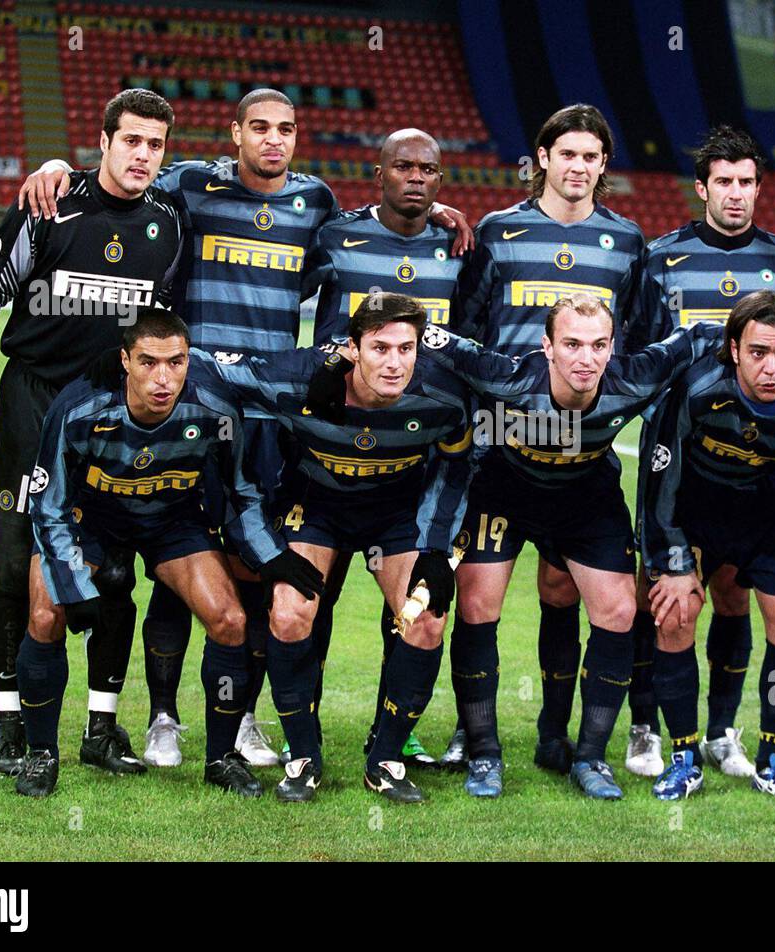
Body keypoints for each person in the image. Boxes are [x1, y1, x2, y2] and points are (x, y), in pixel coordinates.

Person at [18, 92, 473, 771]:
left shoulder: (316, 204)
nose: (272, 140)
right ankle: (165, 717)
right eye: (259, 128)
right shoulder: (193, 183)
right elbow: (126, 172)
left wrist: (426, 207)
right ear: (235, 133)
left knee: (248, 572)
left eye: (286, 130)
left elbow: (365, 230)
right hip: (191, 398)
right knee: (181, 551)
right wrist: (60, 164)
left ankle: (248, 719)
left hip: (269, 414)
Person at [0, 88, 184, 777]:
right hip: (34, 402)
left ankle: (101, 728)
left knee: (111, 570)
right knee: (16, 566)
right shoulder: (47, 202)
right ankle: (11, 719)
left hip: (112, 414)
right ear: (103, 141)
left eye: (155, 145)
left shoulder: (168, 222)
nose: (142, 155)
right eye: (131, 140)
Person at [420, 295, 721, 800]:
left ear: (613, 347)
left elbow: (694, 338)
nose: (587, 359)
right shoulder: (510, 377)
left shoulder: (632, 377)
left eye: (599, 345)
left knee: (621, 611)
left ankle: (591, 758)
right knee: (475, 606)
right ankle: (485, 752)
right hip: (506, 494)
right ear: (548, 347)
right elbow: (435, 339)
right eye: (573, 344)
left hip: (587, 498)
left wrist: (749, 335)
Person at [17, 310, 323, 798]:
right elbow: (48, 507)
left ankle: (220, 758)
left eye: (176, 362)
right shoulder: (80, 408)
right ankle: (40, 755)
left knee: (229, 619)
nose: (163, 378)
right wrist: (73, 587)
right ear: (125, 361)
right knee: (45, 612)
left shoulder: (215, 408)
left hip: (172, 521)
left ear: (189, 360)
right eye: (148, 362)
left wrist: (271, 556)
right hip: (89, 520)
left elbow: (241, 494)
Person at [191, 293, 474, 803]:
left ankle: (385, 758)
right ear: (352, 348)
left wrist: (436, 547)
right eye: (380, 348)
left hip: (396, 514)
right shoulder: (299, 378)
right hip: (317, 507)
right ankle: (303, 756)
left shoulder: (444, 394)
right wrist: (111, 358)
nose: (394, 363)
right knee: (288, 613)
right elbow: (205, 364)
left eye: (405, 349)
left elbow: (457, 464)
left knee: (427, 619)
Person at [445, 103, 652, 770]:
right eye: (568, 154)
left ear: (602, 166)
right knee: (479, 597)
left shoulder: (625, 241)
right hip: (503, 447)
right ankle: (471, 734)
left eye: (592, 157)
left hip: (583, 454)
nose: (579, 167)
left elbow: (639, 342)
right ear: (542, 159)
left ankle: (555, 731)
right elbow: (467, 330)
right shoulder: (499, 230)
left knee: (566, 593)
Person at [627, 125, 775, 780]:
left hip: (760, 466)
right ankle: (647, 727)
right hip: (679, 457)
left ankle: (723, 731)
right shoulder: (661, 257)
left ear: (760, 187)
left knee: (735, 599)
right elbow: (642, 356)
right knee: (667, 595)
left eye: (746, 182)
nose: (735, 194)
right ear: (702, 188)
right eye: (723, 182)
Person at [301, 128, 465, 769]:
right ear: (380, 173)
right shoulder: (335, 236)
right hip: (333, 444)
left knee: (414, 599)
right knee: (316, 595)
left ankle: (396, 731)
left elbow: (466, 337)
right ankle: (299, 731)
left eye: (428, 168)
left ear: (441, 181)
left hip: (416, 448)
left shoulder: (458, 248)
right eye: (403, 166)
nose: (416, 177)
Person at [637, 291, 775, 802]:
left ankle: (772, 760)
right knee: (676, 614)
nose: (773, 368)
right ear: (734, 349)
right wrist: (673, 562)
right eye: (759, 353)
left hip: (769, 515)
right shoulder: (697, 388)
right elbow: (659, 474)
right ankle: (683, 757)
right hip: (694, 510)